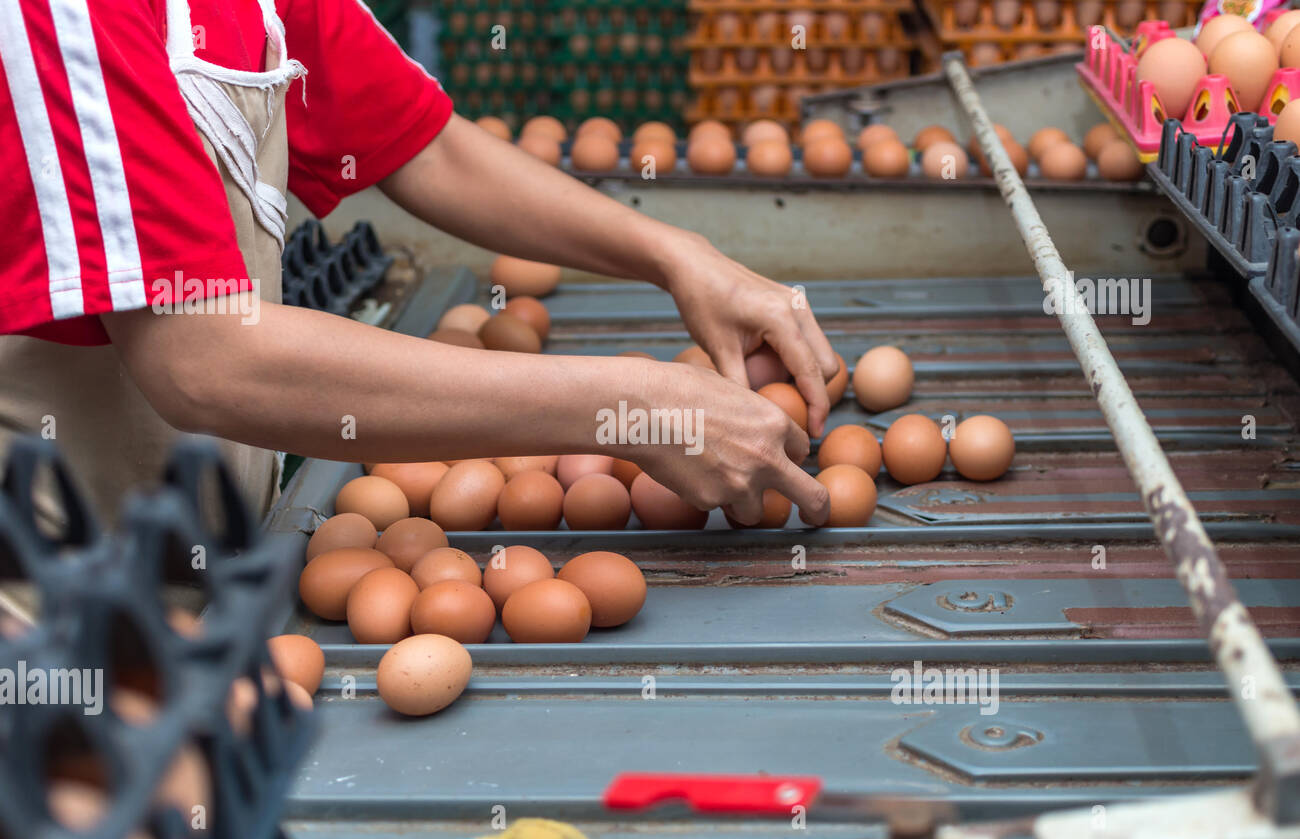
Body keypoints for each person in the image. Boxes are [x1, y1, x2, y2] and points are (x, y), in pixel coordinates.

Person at [0, 0, 834, 530]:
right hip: (46, 590)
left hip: (181, 552)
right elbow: (203, 357)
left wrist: (676, 256)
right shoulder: (62, 13)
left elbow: (420, 147)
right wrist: (632, 404)